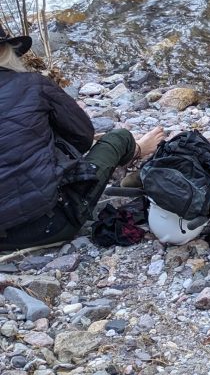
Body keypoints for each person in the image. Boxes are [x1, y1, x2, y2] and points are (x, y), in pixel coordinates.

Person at [0, 25, 164, 253]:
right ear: (5, 51)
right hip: (51, 224)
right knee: (119, 137)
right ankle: (136, 150)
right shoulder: (34, 85)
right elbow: (83, 137)